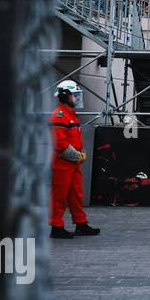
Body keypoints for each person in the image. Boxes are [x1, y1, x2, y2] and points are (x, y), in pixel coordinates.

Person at [50, 80, 99, 239]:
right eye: (74, 95)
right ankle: (56, 227)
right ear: (65, 96)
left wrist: (79, 154)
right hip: (63, 162)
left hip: (72, 162)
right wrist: (77, 155)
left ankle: (81, 223)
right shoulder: (60, 116)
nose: (77, 99)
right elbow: (60, 143)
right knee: (59, 195)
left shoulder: (70, 115)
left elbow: (74, 139)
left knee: (76, 194)